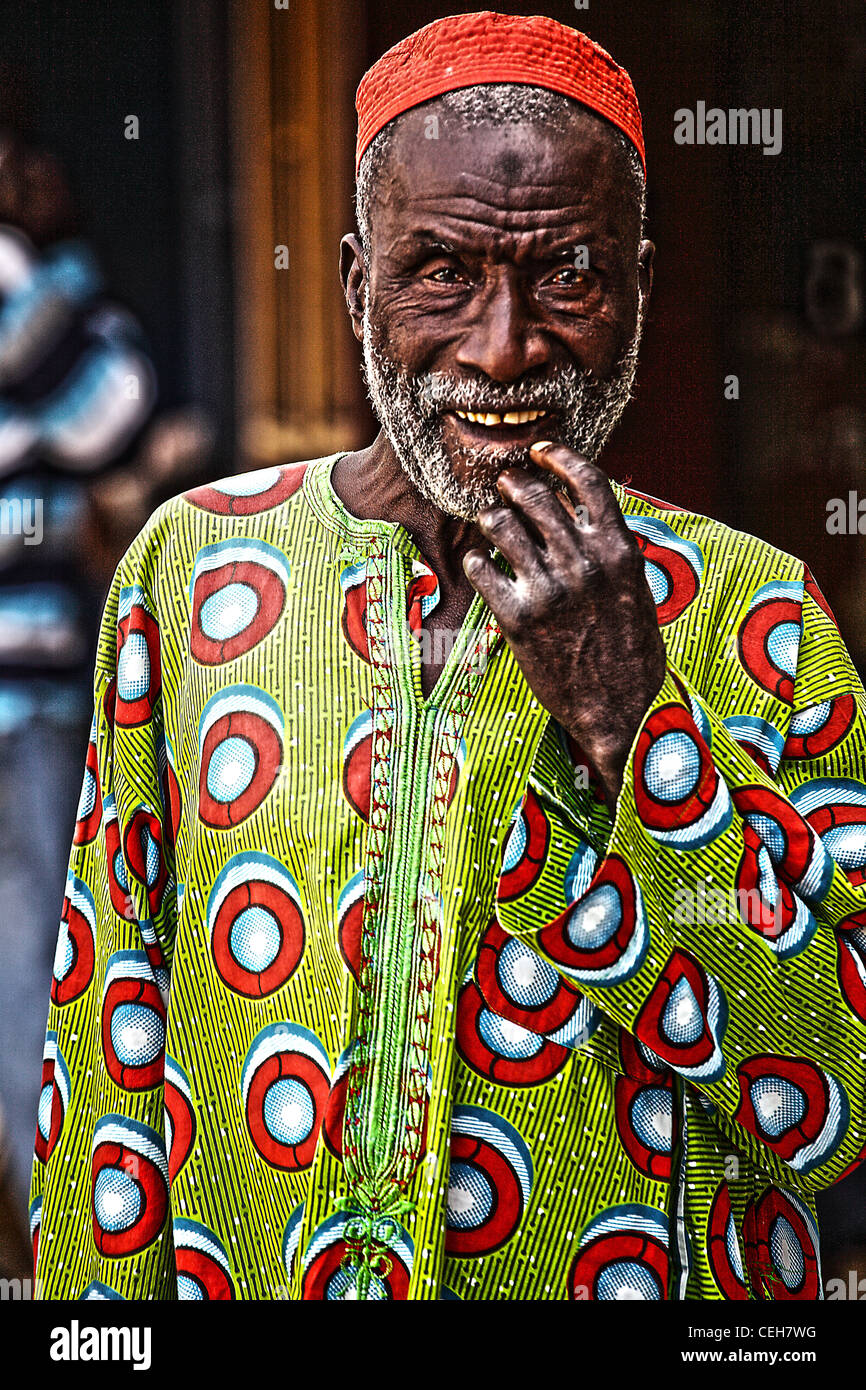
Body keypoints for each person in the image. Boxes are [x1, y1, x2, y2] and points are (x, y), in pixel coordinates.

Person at [31, 12, 866, 1302]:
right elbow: (106, 1047)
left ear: (640, 285)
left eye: (570, 277)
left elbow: (830, 1106)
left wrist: (638, 732)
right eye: (440, 274)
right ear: (358, 279)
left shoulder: (760, 612)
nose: (504, 347)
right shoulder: (189, 569)